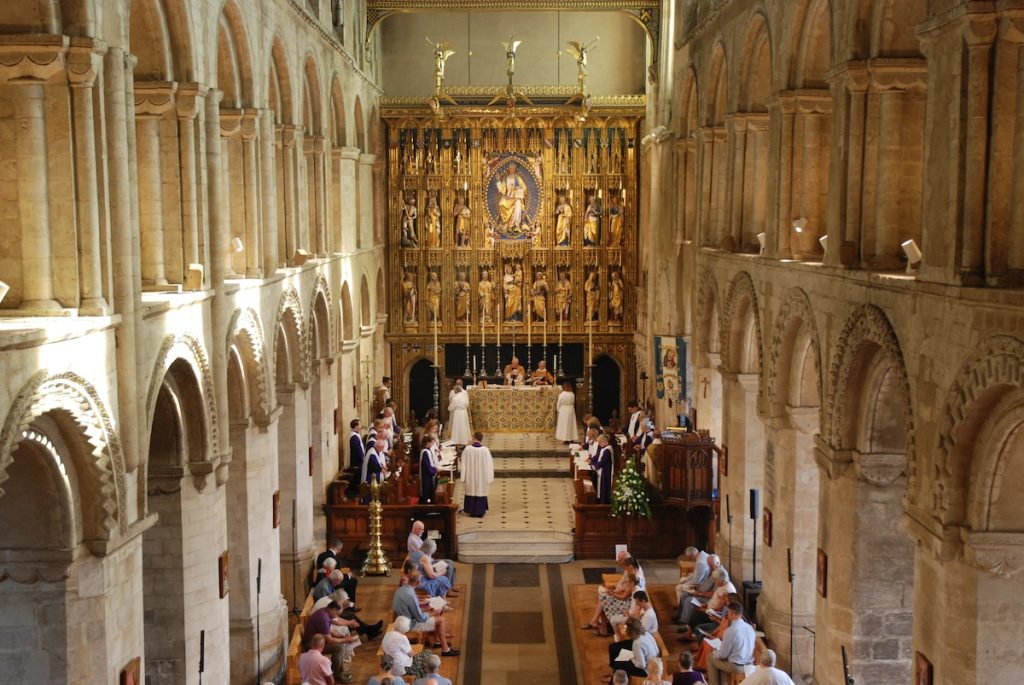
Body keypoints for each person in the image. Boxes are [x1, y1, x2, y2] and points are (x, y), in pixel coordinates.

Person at [392, 567, 460, 657]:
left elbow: (413, 609)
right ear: (418, 582)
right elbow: (420, 618)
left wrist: (429, 610)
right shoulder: (410, 594)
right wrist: (433, 613)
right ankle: (446, 650)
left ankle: (437, 641)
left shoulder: (402, 589)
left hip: (402, 619)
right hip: (409, 624)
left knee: (435, 613)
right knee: (441, 620)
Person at [302, 602, 358, 678]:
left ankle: (338, 670)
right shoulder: (323, 618)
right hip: (311, 644)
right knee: (338, 648)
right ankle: (337, 674)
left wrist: (341, 636)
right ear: (334, 610)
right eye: (337, 614)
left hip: (317, 640)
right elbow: (329, 640)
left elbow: (329, 630)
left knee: (339, 644)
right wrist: (345, 640)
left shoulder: (325, 612)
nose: (337, 616)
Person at [707, 602, 756, 685]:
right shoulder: (750, 628)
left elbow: (723, 655)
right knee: (721, 662)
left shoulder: (730, 630)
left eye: (728, 612)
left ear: (732, 613)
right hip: (749, 664)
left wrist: (716, 653)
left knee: (710, 657)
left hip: (737, 667)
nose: (727, 614)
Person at [604, 617, 657, 681]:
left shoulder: (637, 643)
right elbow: (656, 649)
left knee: (618, 663)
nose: (626, 630)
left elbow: (642, 665)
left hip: (646, 670)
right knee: (613, 647)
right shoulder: (646, 633)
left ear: (631, 631)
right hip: (649, 661)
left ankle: (616, 678)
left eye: (627, 629)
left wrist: (632, 659)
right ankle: (614, 673)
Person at [677, 554, 723, 624]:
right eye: (709, 565)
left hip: (708, 598)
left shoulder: (719, 574)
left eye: (711, 566)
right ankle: (679, 615)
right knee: (684, 594)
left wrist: (699, 594)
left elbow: (714, 593)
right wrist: (697, 587)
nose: (710, 567)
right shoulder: (713, 569)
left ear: (718, 563)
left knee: (689, 600)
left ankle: (685, 622)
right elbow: (704, 582)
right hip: (701, 591)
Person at [460, 432, 494, 517]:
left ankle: (471, 510)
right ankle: (480, 511)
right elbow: (490, 465)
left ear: (474, 438)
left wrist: (463, 477)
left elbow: (463, 464)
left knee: (471, 491)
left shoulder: (467, 449)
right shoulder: (485, 450)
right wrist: (489, 478)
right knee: (480, 491)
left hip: (470, 477)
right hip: (481, 478)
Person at [593, 434, 614, 504]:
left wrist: (595, 466)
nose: (599, 444)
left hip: (605, 472)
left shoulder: (607, 450)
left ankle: (604, 502)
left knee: (604, 487)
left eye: (600, 442)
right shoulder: (604, 448)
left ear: (604, 441)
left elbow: (603, 462)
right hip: (603, 471)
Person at [419, 435, 438, 504]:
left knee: (430, 490)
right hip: (426, 476)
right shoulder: (425, 452)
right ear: (427, 443)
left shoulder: (427, 451)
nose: (432, 445)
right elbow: (427, 465)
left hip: (428, 474)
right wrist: (435, 470)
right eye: (431, 443)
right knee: (427, 491)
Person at [347, 419, 364, 484]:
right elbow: (357, 451)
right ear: (356, 426)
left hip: (357, 462)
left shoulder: (355, 434)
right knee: (356, 480)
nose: (361, 427)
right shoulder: (354, 437)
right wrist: (362, 458)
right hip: (356, 463)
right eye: (360, 425)